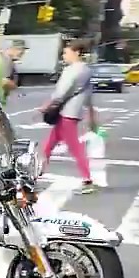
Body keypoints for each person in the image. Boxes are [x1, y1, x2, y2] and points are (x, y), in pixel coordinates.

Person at [38, 39, 96, 195]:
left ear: (76, 52)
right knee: (48, 145)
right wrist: (92, 116)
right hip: (73, 112)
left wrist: (48, 105)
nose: (64, 55)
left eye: (66, 52)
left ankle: (87, 179)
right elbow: (89, 96)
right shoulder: (87, 71)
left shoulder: (72, 70)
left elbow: (62, 92)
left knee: (75, 148)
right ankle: (37, 174)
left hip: (66, 113)